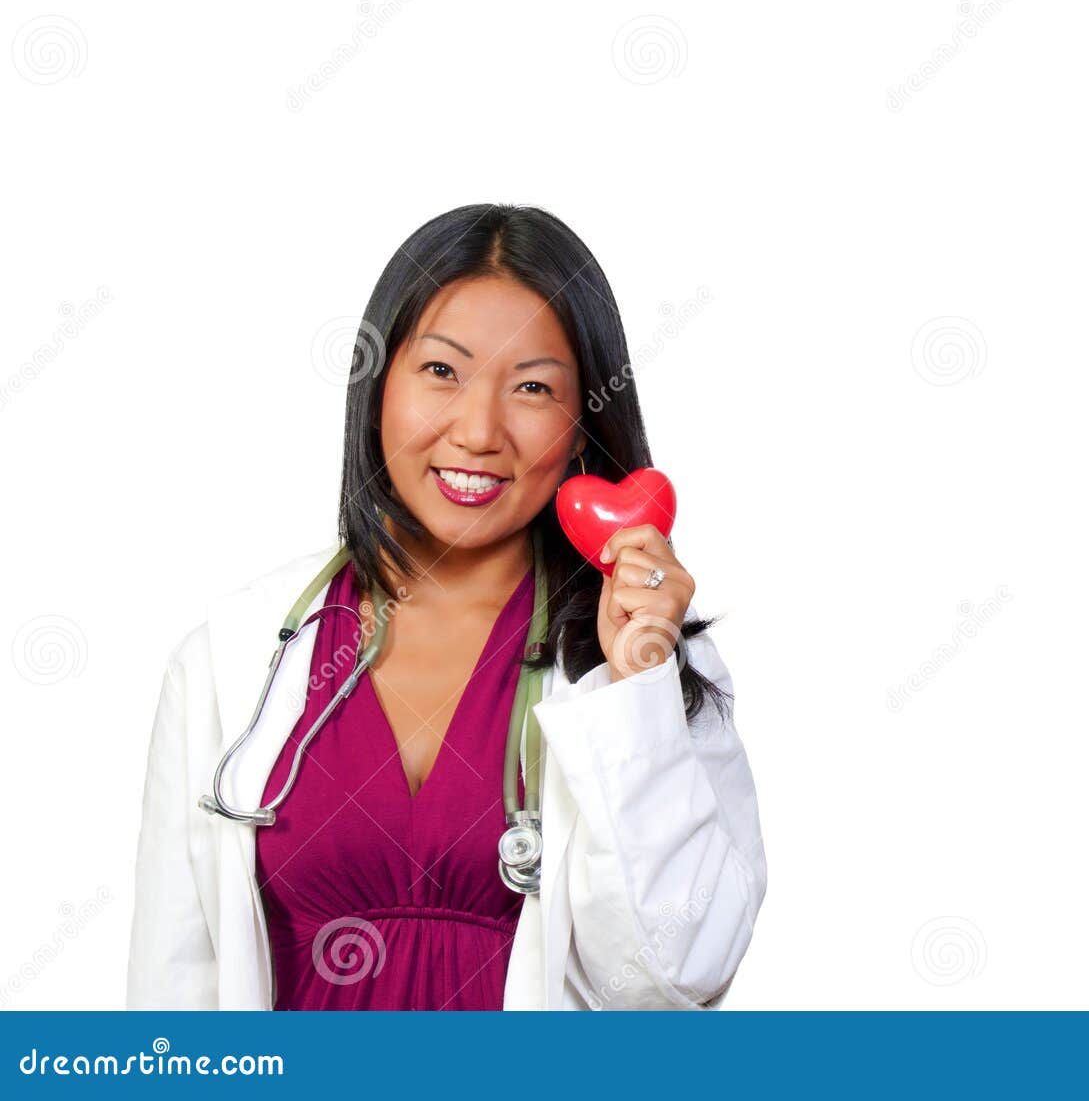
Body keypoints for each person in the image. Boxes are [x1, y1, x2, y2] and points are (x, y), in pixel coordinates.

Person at [127, 204, 767, 1009]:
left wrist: (634, 685)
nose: (477, 430)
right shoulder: (229, 657)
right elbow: (168, 994)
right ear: (378, 383)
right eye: (441, 371)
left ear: (580, 427)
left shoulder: (645, 661)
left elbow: (671, 980)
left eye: (532, 386)